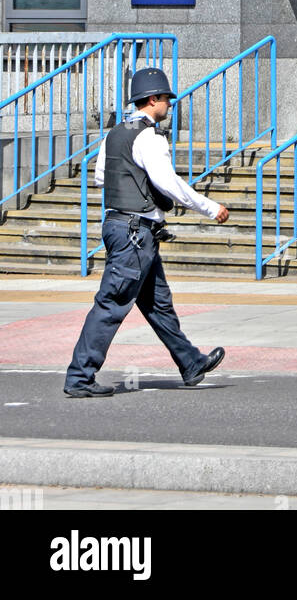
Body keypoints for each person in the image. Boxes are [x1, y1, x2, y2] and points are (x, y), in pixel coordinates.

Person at [64, 67, 229, 398]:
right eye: (166, 98)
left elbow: (100, 176)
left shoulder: (116, 133)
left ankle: (190, 362)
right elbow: (169, 184)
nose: (169, 104)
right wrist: (211, 208)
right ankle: (80, 376)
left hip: (123, 227)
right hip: (134, 232)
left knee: (157, 304)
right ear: (153, 99)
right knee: (112, 304)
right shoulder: (150, 137)